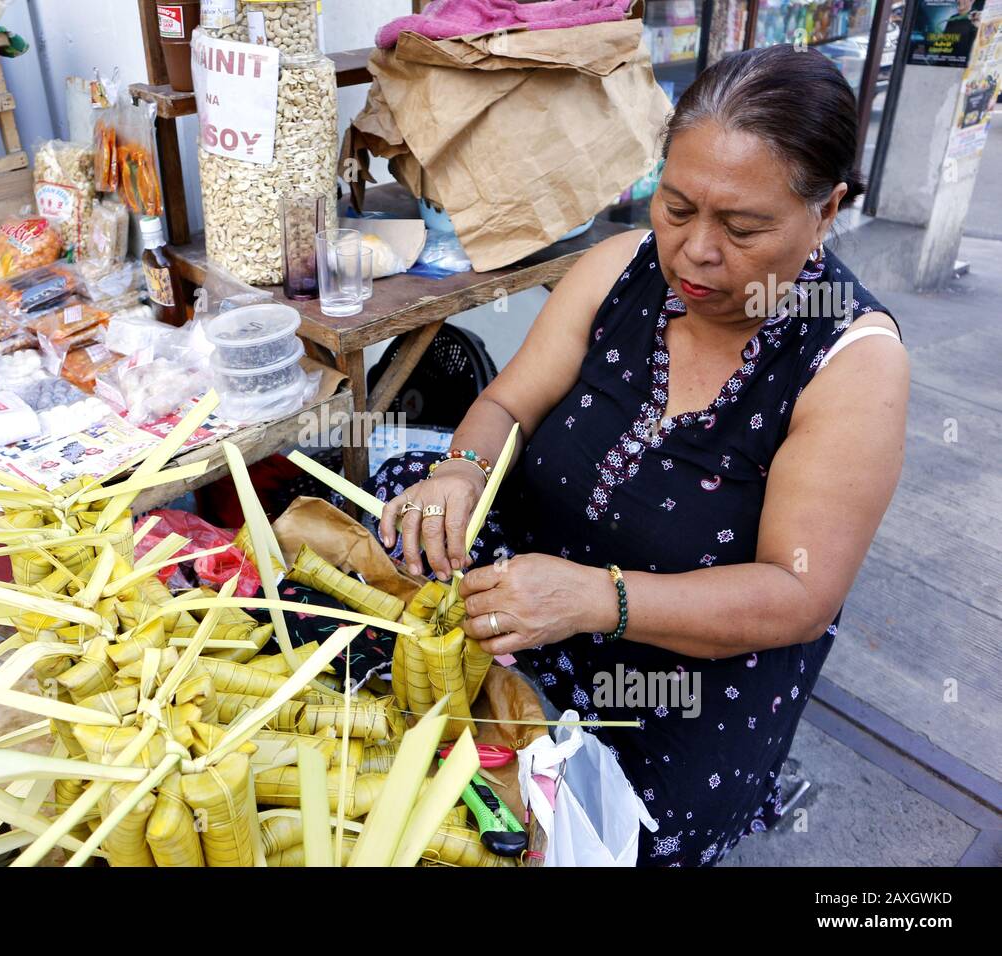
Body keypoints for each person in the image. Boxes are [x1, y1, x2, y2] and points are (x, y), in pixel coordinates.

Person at [370, 45, 909, 865]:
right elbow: (508, 403)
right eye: (677, 205)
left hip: (688, 664)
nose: (695, 252)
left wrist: (600, 600)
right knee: (399, 511)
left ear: (826, 210)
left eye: (743, 227)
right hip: (533, 578)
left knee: (612, 823)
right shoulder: (618, 268)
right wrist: (460, 473)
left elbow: (798, 593)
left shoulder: (851, 364)